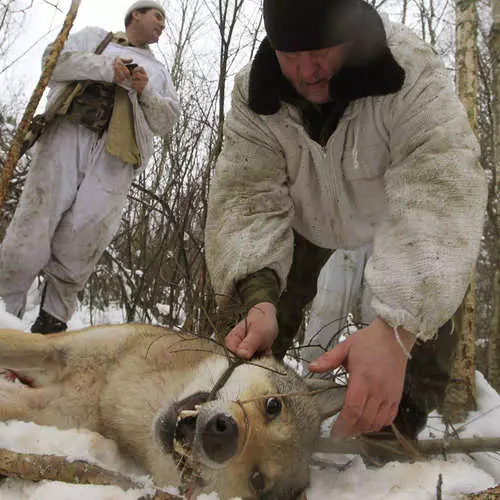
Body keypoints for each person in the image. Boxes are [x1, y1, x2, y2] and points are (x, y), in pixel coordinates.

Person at [205, 0, 488, 442]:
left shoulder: (410, 71)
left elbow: (440, 190)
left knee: (432, 297)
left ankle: (394, 429)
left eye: (322, 49)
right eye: (291, 54)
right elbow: (247, 197)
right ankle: (241, 419)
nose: (308, 70)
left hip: (393, 216)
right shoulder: (253, 95)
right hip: (303, 220)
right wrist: (259, 297)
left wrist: (397, 330)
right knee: (249, 326)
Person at [0, 1, 180, 333]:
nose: (162, 25)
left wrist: (145, 90)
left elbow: (166, 121)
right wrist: (106, 68)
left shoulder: (160, 72)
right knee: (32, 226)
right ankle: (3, 313)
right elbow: (51, 63)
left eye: (165, 20)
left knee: (84, 238)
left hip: (117, 156)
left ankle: (51, 324)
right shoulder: (95, 38)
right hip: (66, 136)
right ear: (135, 15)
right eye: (158, 16)